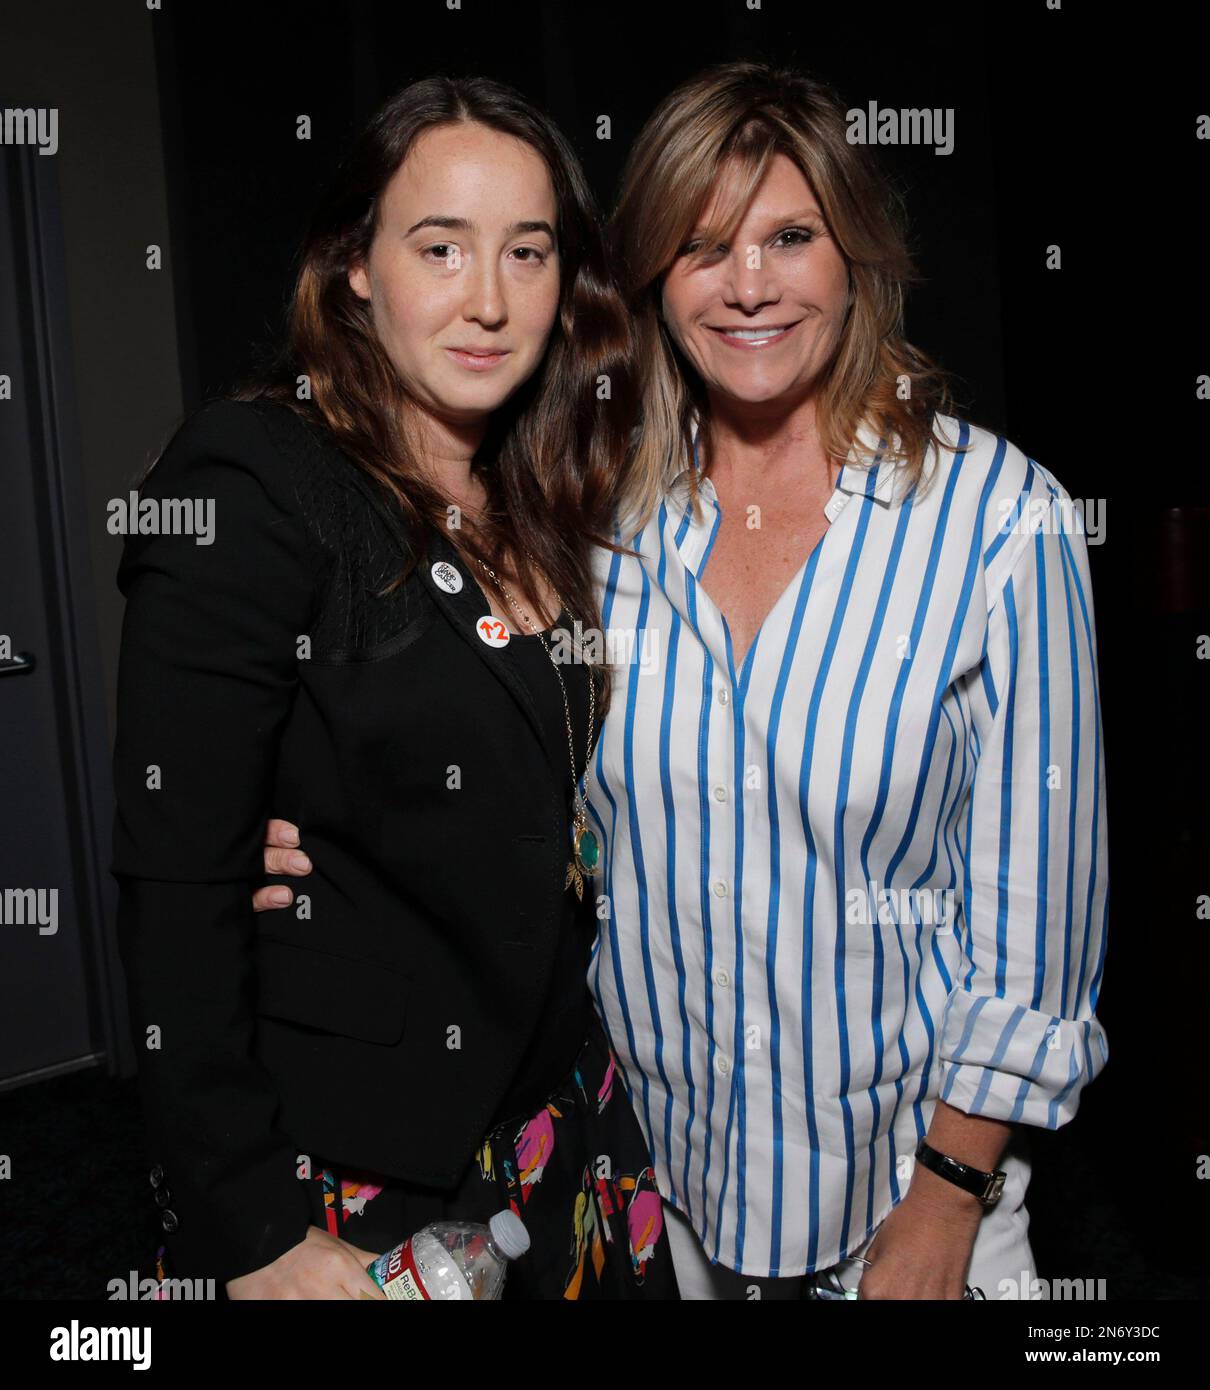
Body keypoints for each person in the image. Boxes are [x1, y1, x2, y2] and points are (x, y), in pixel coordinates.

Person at [257, 60, 1109, 1301]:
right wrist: (286, 831)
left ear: (854, 255)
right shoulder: (593, 521)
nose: (750, 282)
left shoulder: (995, 520)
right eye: (705, 245)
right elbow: (496, 775)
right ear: (653, 273)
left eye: (789, 236)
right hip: (657, 1204)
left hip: (903, 1213)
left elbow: (1040, 929)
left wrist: (944, 1204)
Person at [112, 74, 678, 1301]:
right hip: (355, 1169)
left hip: (556, 1120)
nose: (487, 300)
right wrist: (249, 1226)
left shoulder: (539, 489)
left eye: (526, 252)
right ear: (352, 265)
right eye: (440, 247)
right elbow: (175, 887)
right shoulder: (256, 478)